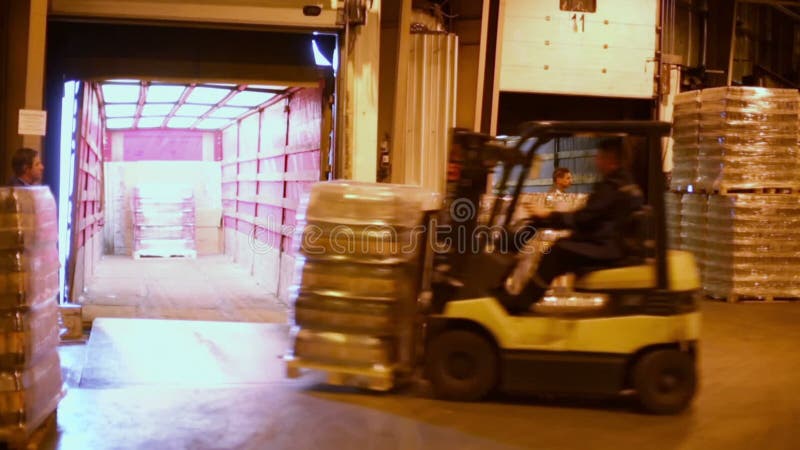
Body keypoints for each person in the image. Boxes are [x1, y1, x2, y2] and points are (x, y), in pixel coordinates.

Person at [499, 138, 644, 314]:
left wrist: (547, 216)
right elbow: (592, 218)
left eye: (599, 157)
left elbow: (583, 219)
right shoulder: (624, 183)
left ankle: (520, 304)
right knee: (563, 244)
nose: (596, 161)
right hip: (610, 244)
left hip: (606, 248)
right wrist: (549, 220)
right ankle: (522, 299)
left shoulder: (612, 187)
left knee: (555, 252)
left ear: (611, 159)